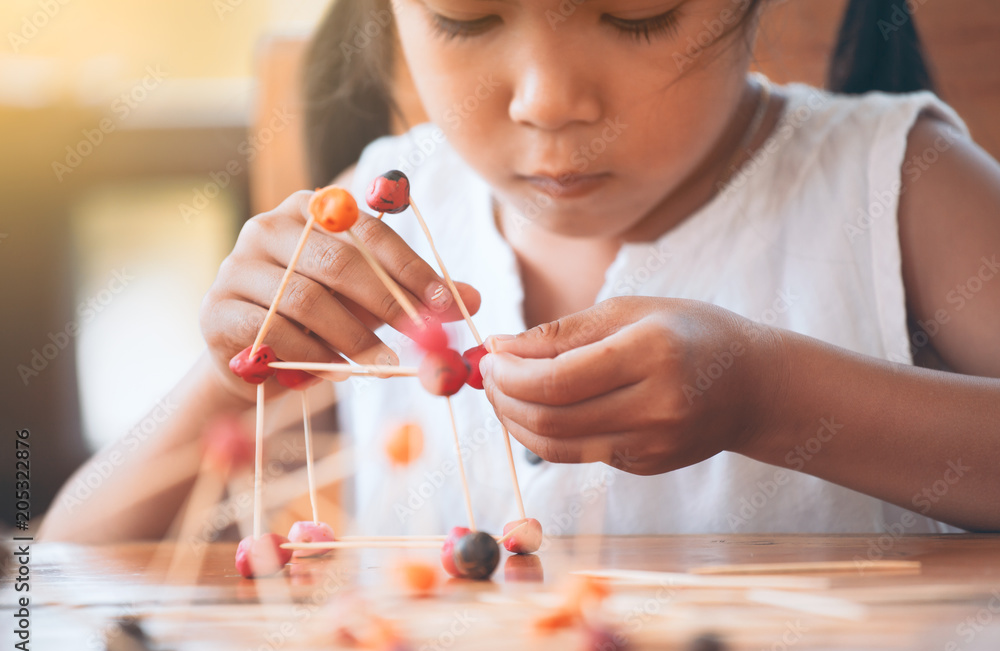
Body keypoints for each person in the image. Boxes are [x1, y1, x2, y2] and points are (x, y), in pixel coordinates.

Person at [41, 0, 1000, 543]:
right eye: (465, 17)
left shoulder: (900, 182)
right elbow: (65, 567)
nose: (548, 99)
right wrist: (232, 378)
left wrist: (774, 399)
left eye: (637, 13)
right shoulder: (379, 219)